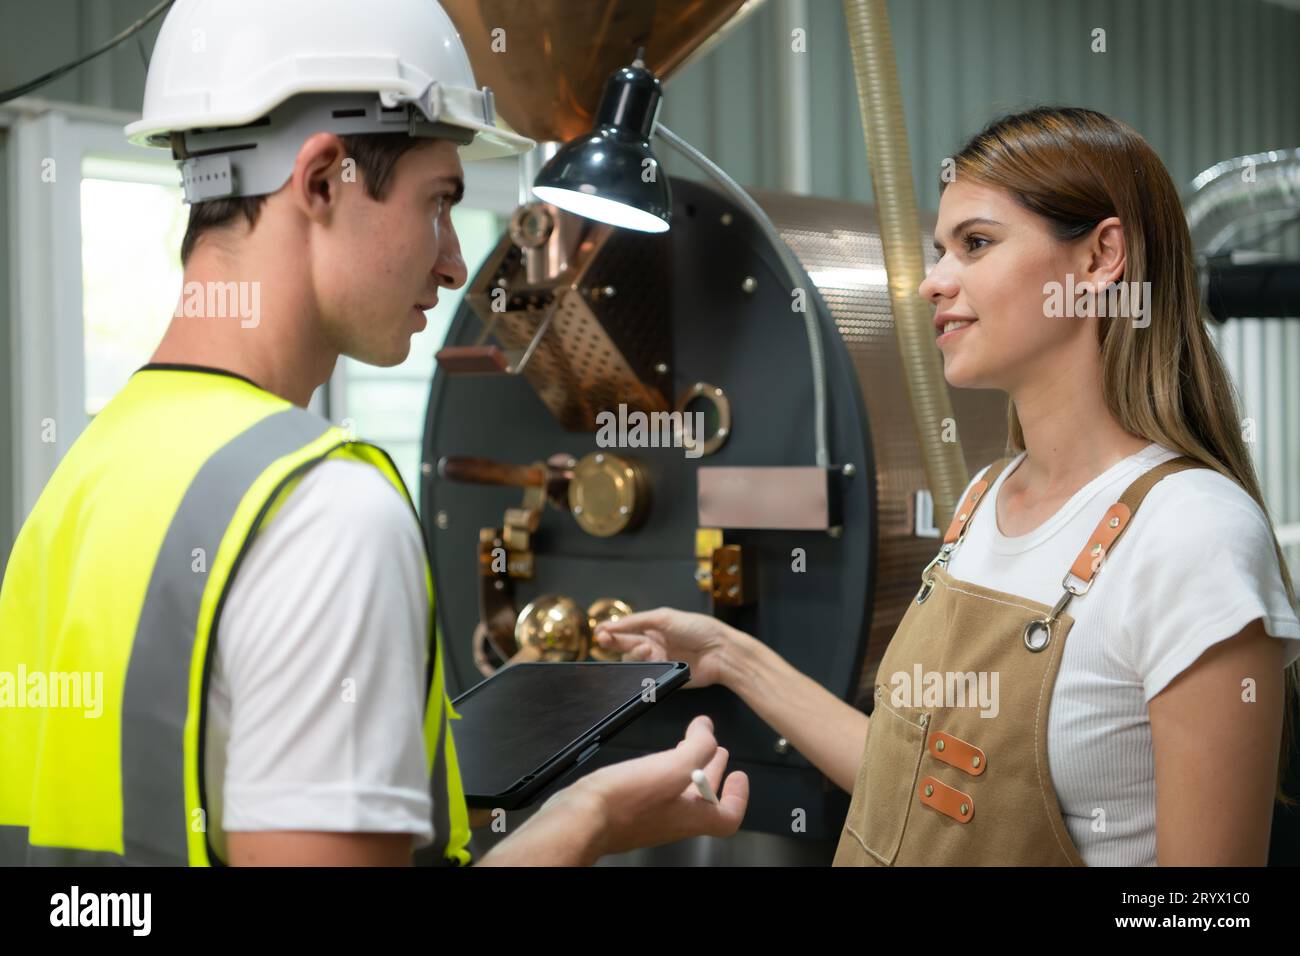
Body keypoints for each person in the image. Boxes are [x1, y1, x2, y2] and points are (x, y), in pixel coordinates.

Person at [0, 0, 746, 867]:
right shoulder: (324, 512)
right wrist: (587, 825)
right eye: (439, 202)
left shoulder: (83, 477)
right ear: (322, 181)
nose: (456, 262)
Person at [595, 106, 1300, 867]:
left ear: (1101, 259)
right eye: (940, 251)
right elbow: (916, 790)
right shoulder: (982, 501)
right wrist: (733, 658)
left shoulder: (1192, 534)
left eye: (976, 244)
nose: (933, 282)